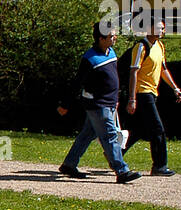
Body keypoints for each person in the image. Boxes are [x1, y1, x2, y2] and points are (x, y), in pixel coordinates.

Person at [57, 21, 142, 184]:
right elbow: (77, 82)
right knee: (110, 136)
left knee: (87, 134)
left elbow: (112, 79)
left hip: (109, 103)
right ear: (101, 39)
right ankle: (122, 170)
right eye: (111, 36)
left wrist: (116, 100)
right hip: (97, 104)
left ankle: (69, 164)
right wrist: (66, 104)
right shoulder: (90, 58)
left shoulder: (111, 52)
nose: (115, 38)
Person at [123, 18, 181, 176]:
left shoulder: (160, 46)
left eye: (163, 28)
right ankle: (159, 166)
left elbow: (163, 69)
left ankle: (115, 153)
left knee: (138, 129)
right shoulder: (141, 47)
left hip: (152, 92)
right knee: (158, 129)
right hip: (142, 93)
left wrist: (175, 88)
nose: (162, 31)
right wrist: (132, 98)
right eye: (159, 28)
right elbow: (133, 72)